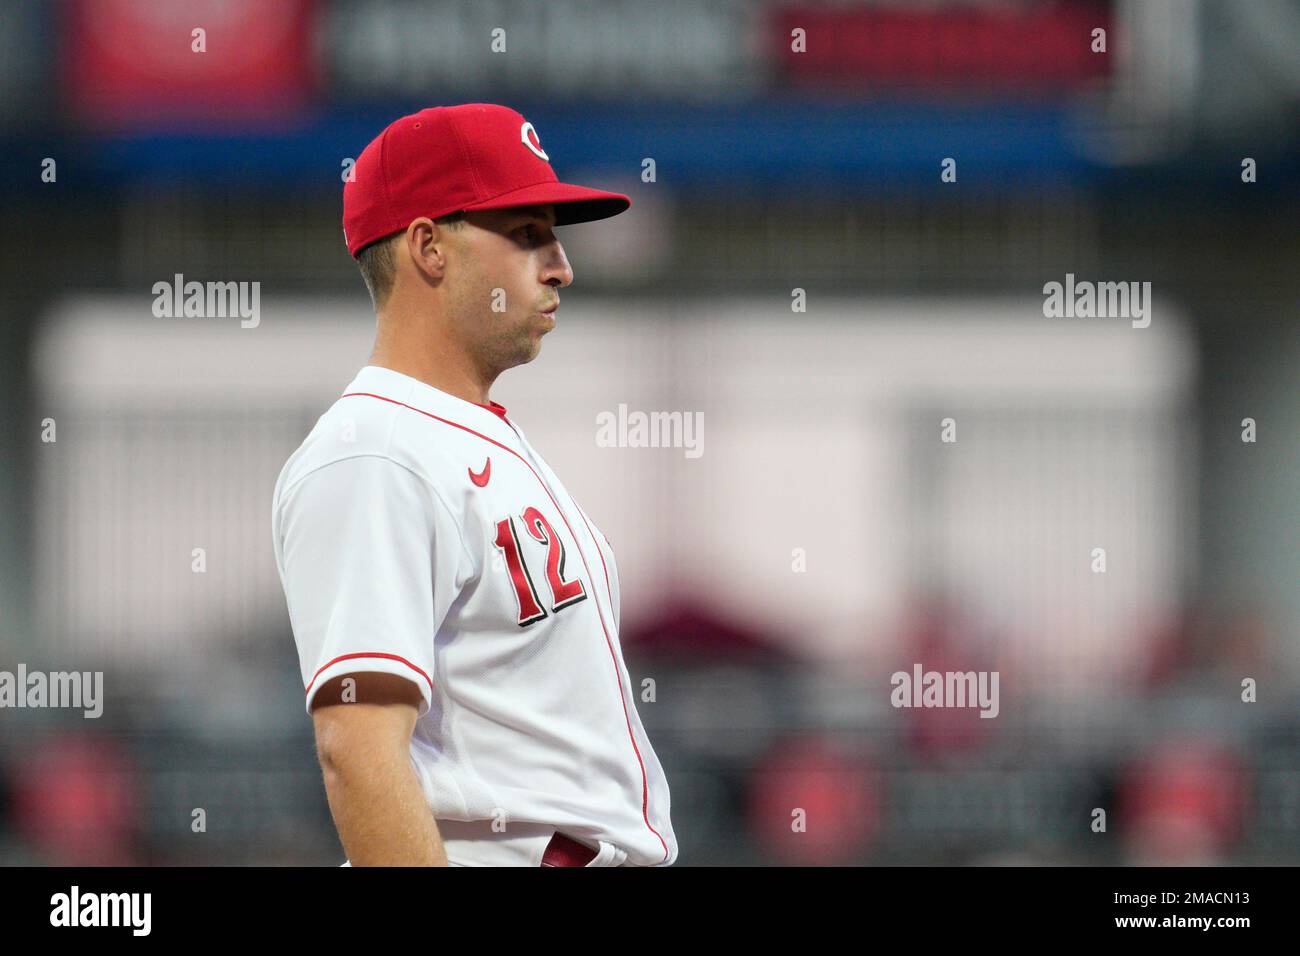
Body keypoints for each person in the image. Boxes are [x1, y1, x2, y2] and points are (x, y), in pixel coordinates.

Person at [271, 104, 676, 867]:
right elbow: (357, 751)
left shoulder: (461, 434)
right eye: (527, 235)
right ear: (429, 247)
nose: (561, 265)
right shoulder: (375, 455)